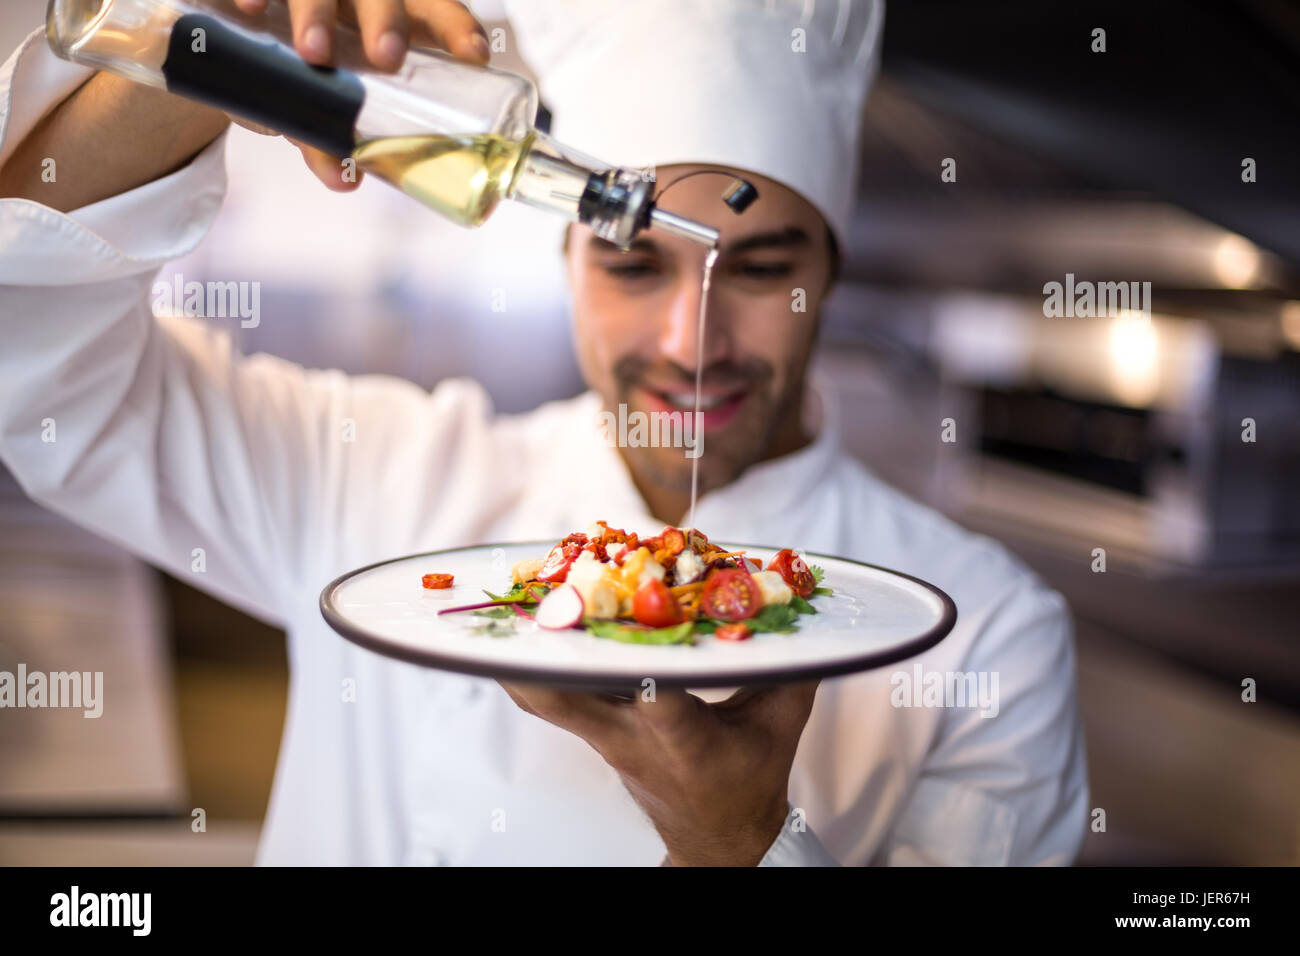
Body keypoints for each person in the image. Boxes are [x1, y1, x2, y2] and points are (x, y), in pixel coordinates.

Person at [0, 0, 1088, 865]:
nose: (690, 337)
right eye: (633, 261)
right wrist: (220, 54)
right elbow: (31, 356)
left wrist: (741, 849)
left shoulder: (984, 634)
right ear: (567, 258)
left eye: (759, 268)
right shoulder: (377, 479)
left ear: (832, 273)